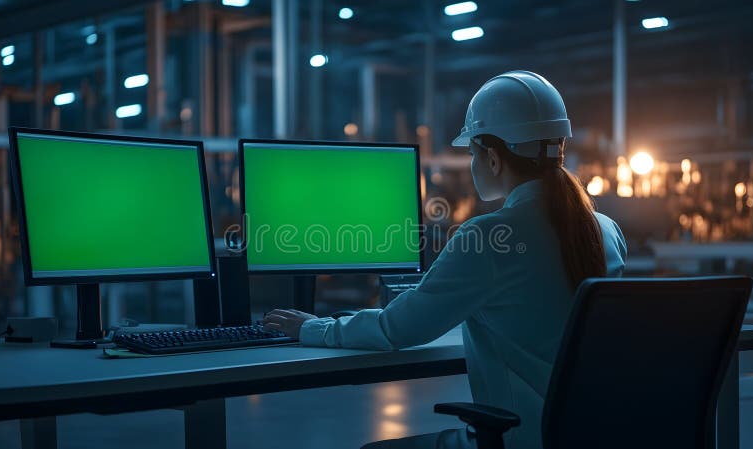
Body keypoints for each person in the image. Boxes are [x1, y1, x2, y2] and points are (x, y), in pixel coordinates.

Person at [263, 71, 628, 449]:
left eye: (472, 152)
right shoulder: (606, 231)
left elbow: (395, 329)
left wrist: (313, 328)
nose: (472, 163)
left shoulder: (488, 237)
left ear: (492, 157)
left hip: (519, 439)